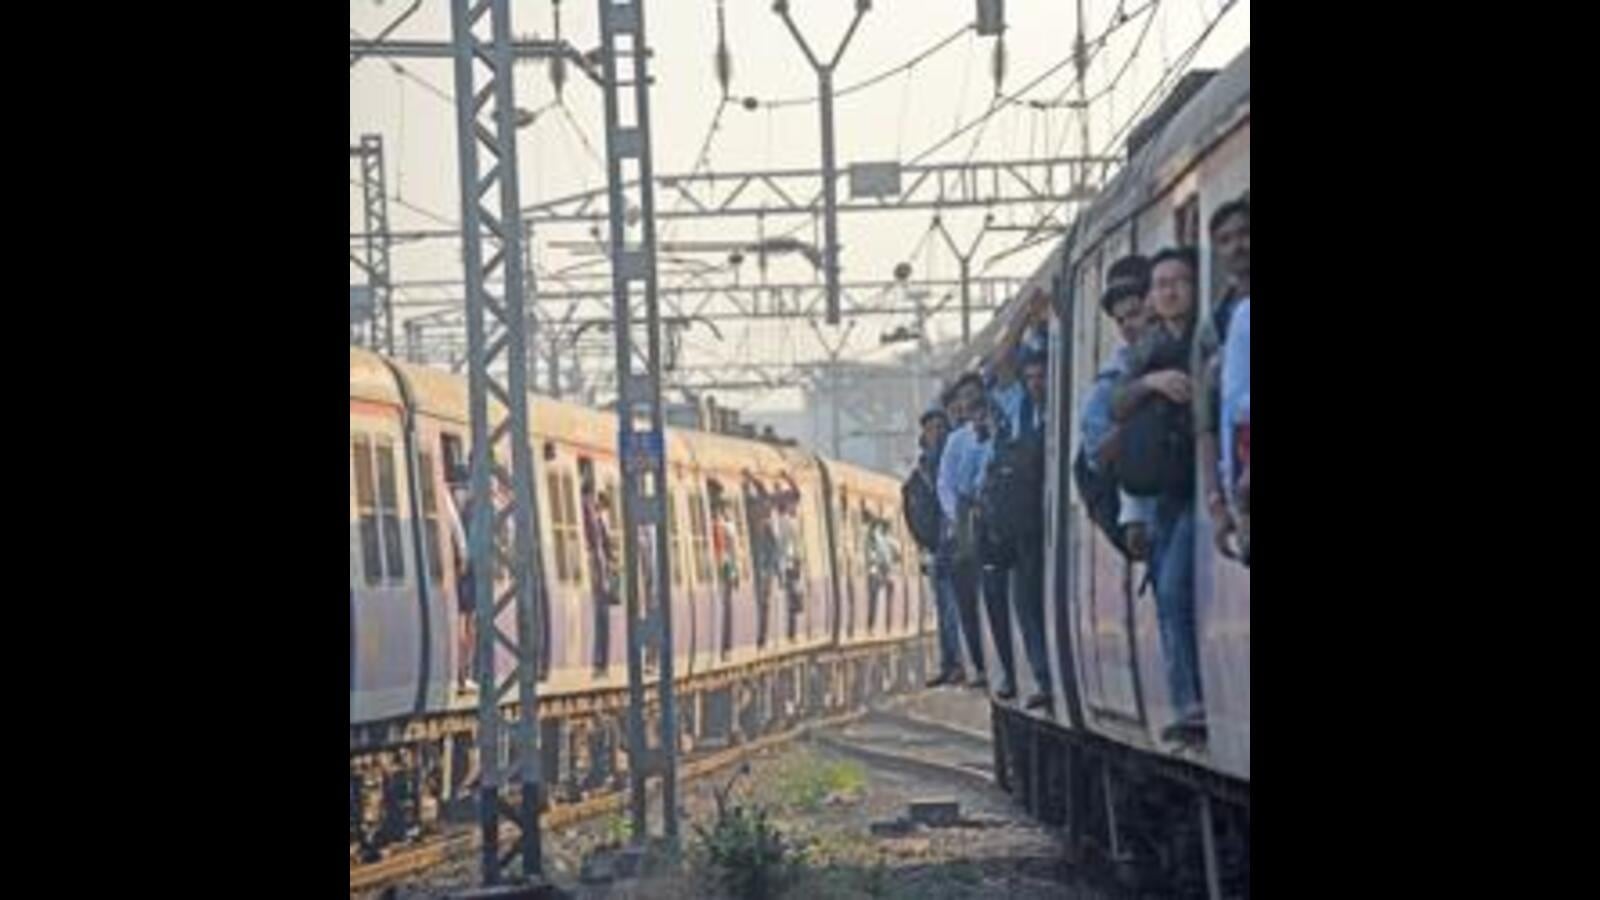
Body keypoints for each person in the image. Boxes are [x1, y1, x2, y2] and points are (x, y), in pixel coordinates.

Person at [1110, 246, 1205, 744]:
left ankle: (1192, 699)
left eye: (1179, 282)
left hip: (1200, 485)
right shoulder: (1147, 350)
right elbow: (1119, 403)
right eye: (1161, 284)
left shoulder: (1207, 335)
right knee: (1169, 593)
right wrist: (1153, 382)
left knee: (1172, 591)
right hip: (1168, 491)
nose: (1169, 291)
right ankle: (1186, 699)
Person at [938, 372, 1017, 699]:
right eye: (964, 397)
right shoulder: (958, 441)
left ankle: (1006, 664)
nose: (970, 401)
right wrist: (956, 517)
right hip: (969, 519)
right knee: (967, 592)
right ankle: (980, 663)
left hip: (1000, 513)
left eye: (974, 394)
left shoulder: (1003, 428)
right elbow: (947, 481)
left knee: (999, 591)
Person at [1198, 198, 1250, 559]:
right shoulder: (1214, 325)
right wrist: (1217, 503)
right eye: (1226, 239)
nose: (1238, 246)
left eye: (1245, 234)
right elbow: (1205, 421)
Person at [1009, 349, 1054, 710]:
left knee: (1037, 603)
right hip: (1024, 526)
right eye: (1031, 378)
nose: (1036, 384)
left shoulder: (1058, 413)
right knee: (1027, 604)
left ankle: (1049, 675)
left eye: (1042, 377)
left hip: (1050, 524)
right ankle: (1042, 675)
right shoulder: (1019, 413)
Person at [911, 407, 965, 687]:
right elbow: (914, 511)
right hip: (938, 548)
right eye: (931, 429)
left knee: (956, 608)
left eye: (942, 428)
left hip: (960, 544)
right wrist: (926, 541)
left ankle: (958, 661)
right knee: (945, 610)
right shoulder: (919, 475)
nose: (937, 434)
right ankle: (950, 662)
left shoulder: (956, 459)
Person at [444, 466, 477, 693]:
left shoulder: (445, 495)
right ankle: (463, 675)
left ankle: (461, 674)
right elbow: (459, 537)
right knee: (467, 624)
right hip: (463, 571)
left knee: (462, 623)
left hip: (453, 571)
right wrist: (463, 562)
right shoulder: (469, 502)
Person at [581, 476, 616, 677]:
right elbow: (597, 544)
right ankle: (599, 661)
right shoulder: (590, 513)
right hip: (596, 572)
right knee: (601, 616)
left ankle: (601, 661)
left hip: (599, 571)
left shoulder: (593, 514)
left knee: (602, 616)